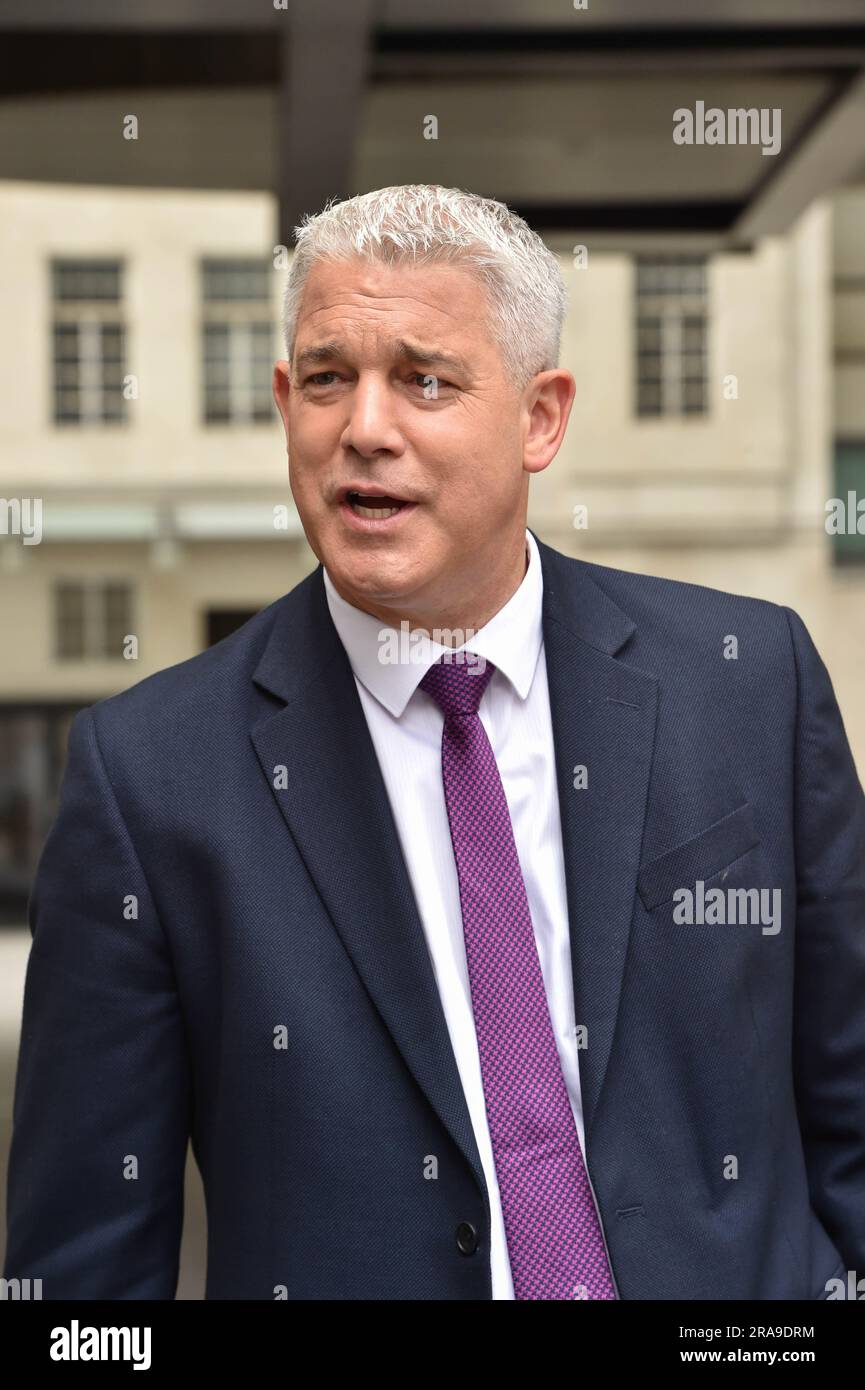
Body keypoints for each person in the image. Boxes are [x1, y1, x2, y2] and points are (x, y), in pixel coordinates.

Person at [5, 184, 864, 1300]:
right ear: (283, 401)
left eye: (424, 378)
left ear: (539, 416)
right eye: (326, 378)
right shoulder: (148, 776)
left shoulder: (748, 683)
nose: (364, 426)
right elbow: (83, 1271)